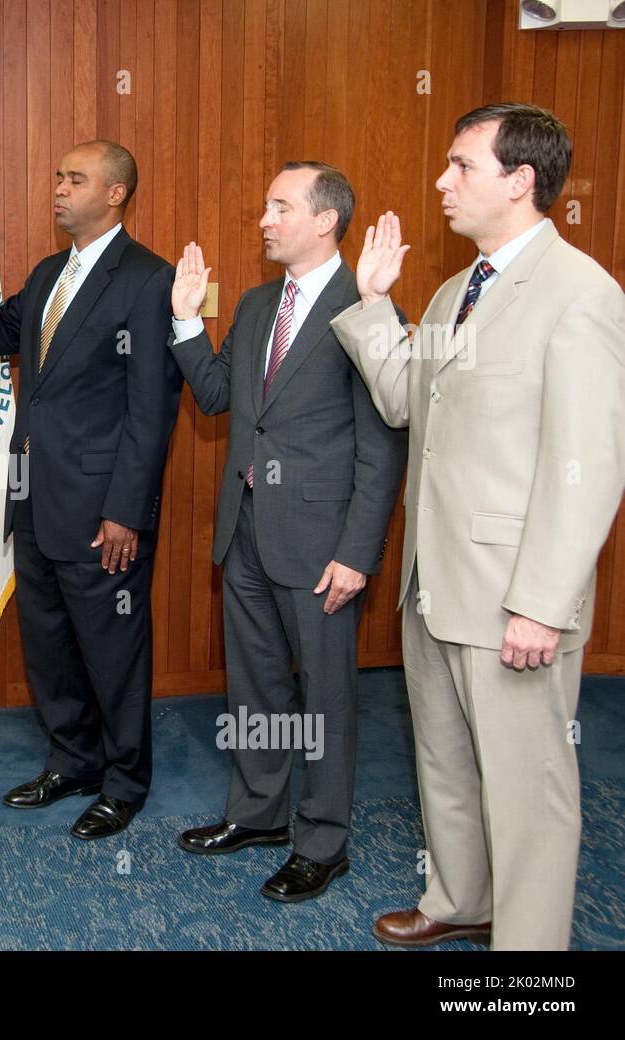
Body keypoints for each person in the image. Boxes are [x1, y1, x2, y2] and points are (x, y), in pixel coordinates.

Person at [332, 103, 625, 950]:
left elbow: (590, 468)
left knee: (529, 794)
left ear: (520, 180)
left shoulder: (582, 295)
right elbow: (404, 401)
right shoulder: (461, 288)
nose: (442, 182)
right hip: (437, 586)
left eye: (461, 166)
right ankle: (461, 899)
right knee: (447, 768)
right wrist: (375, 304)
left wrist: (542, 602)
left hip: (513, 602)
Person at [168, 163, 407, 902]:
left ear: (326, 220)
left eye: (280, 207)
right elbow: (216, 399)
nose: (265, 218)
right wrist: (184, 322)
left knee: (328, 700)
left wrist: (357, 555)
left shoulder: (367, 309)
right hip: (246, 535)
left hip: (322, 547)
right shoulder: (255, 300)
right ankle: (259, 814)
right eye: (266, 204)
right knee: (255, 688)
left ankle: (322, 841)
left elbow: (382, 445)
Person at [0, 140, 181, 839]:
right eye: (57, 175)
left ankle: (124, 781)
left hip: (103, 513)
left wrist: (125, 513)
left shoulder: (147, 279)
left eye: (75, 179)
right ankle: (72, 760)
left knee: (112, 651)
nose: (59, 188)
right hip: (37, 503)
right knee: (48, 645)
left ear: (115, 194)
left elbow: (151, 408)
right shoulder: (51, 272)